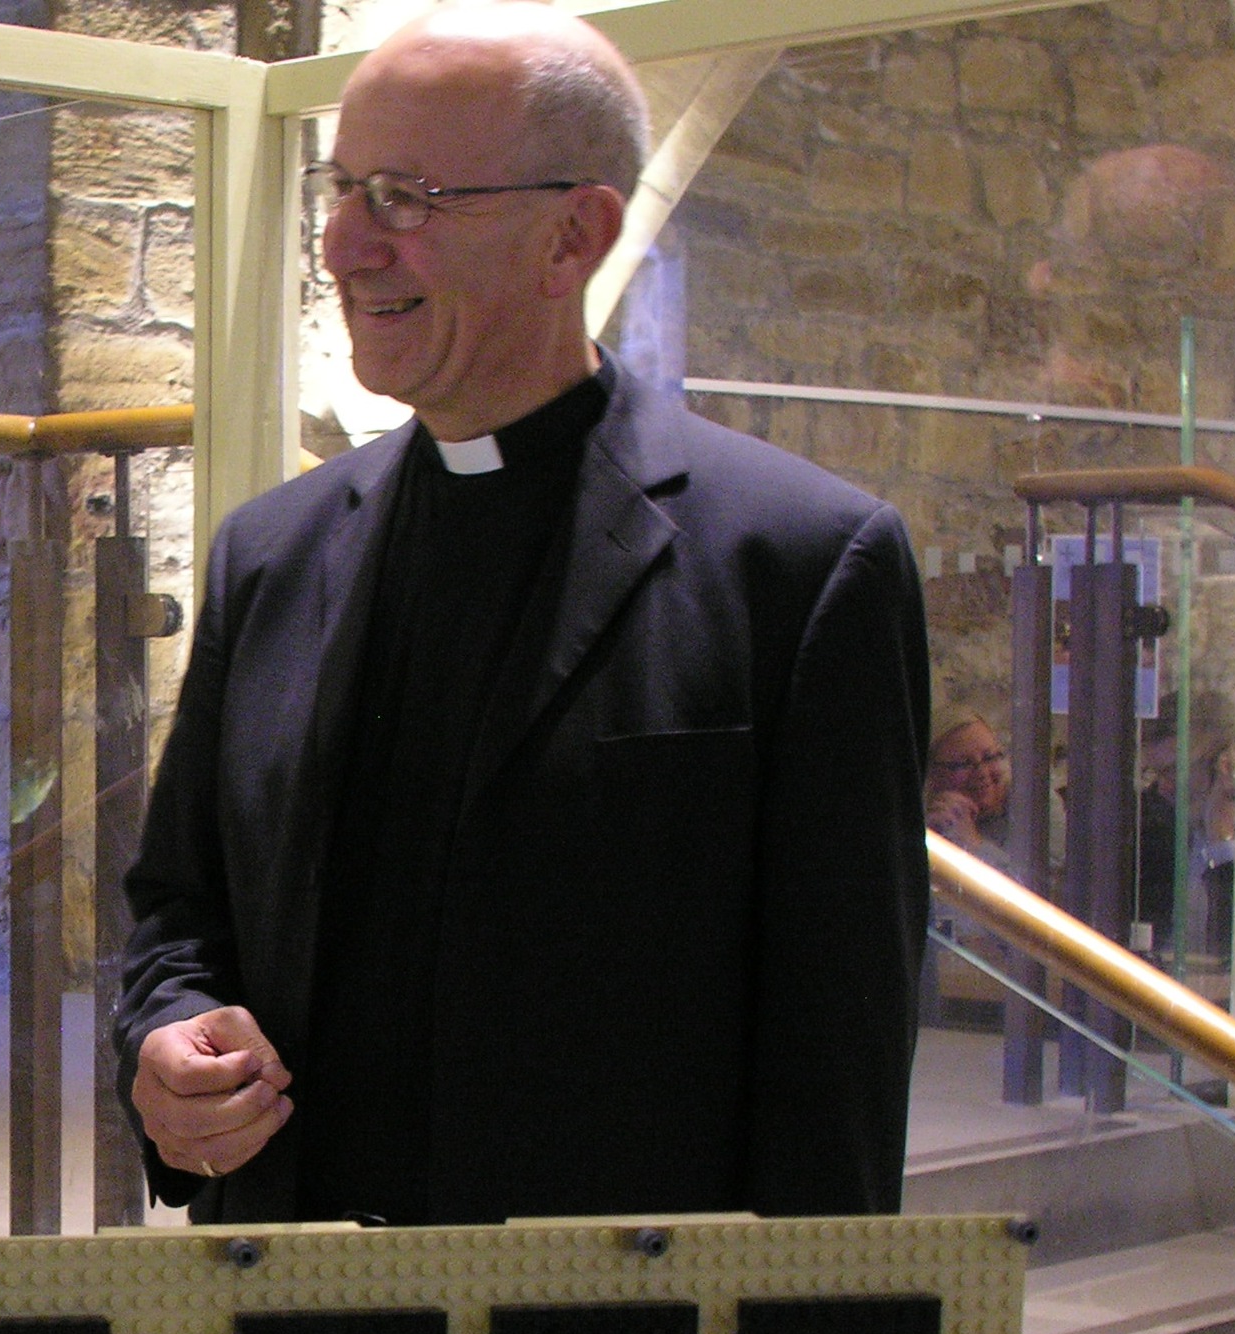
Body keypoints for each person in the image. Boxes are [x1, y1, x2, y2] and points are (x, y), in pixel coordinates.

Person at [116, 2, 929, 1228]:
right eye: (342, 192)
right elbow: (183, 905)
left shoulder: (801, 566)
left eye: (404, 198)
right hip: (288, 1319)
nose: (342, 245)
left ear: (573, 235)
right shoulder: (271, 553)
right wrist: (170, 1039)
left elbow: (836, 1063)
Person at [926, 712, 1013, 863]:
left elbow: (1044, 883)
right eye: (964, 764)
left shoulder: (1034, 803)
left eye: (990, 757)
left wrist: (973, 844)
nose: (982, 773)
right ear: (932, 775)